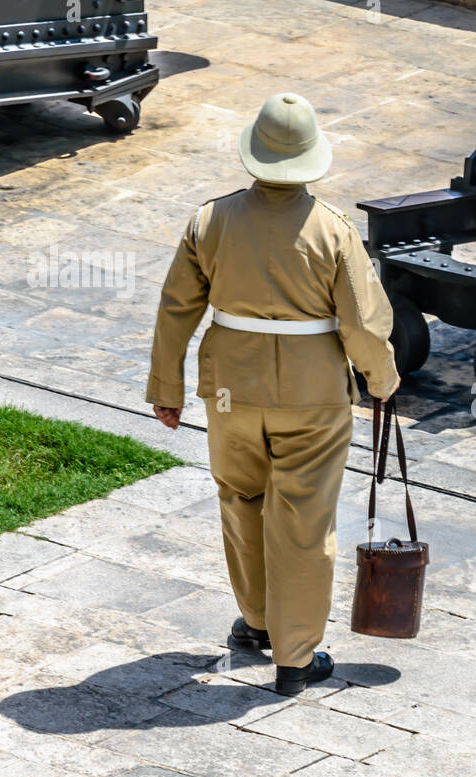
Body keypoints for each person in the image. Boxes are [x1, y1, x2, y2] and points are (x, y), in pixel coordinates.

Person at [146, 93, 401, 695]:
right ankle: (295, 655)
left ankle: (256, 623)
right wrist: (381, 380)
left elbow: (176, 308)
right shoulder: (332, 231)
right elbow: (362, 325)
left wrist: (167, 388)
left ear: (253, 156)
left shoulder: (209, 221)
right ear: (314, 159)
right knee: (303, 521)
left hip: (231, 389)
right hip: (312, 397)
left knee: (241, 499)